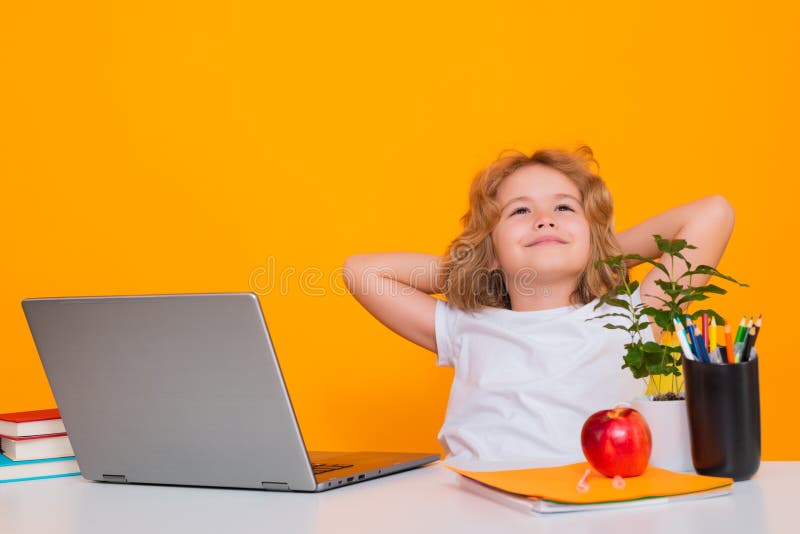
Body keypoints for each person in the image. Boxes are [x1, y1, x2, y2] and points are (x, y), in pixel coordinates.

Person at [342, 145, 735, 468]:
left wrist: (601, 256)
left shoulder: (631, 318)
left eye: (564, 209)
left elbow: (713, 213)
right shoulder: (469, 326)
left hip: (592, 507)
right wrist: (476, 269)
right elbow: (361, 272)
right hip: (476, 505)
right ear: (491, 248)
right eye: (520, 211)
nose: (545, 220)